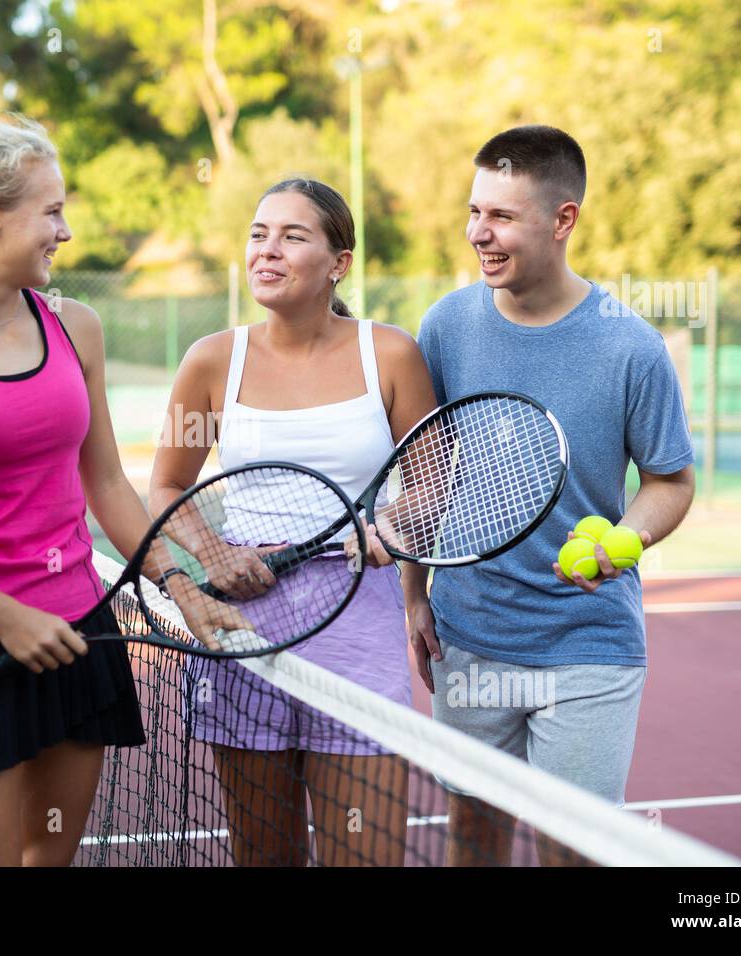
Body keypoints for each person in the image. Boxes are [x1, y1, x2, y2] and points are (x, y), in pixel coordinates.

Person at [0, 117, 233, 866]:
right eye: (51, 210)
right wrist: (8, 619)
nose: (65, 230)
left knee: (49, 860)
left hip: (81, 638)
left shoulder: (76, 328)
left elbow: (107, 485)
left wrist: (179, 585)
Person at [413, 125, 696, 866]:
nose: (479, 233)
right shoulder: (444, 327)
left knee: (574, 849)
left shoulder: (630, 346)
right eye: (474, 212)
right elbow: (425, 477)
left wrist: (621, 537)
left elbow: (671, 480)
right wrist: (415, 594)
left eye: (501, 216)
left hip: (589, 643)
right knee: (473, 840)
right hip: (468, 638)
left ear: (563, 219)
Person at [149, 178, 436, 865]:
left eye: (292, 236)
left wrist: (389, 528)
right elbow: (164, 485)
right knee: (265, 858)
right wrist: (213, 555)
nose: (266, 251)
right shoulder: (212, 360)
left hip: (358, 633)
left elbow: (432, 485)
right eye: (257, 234)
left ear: (339, 262)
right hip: (243, 636)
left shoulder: (390, 354)